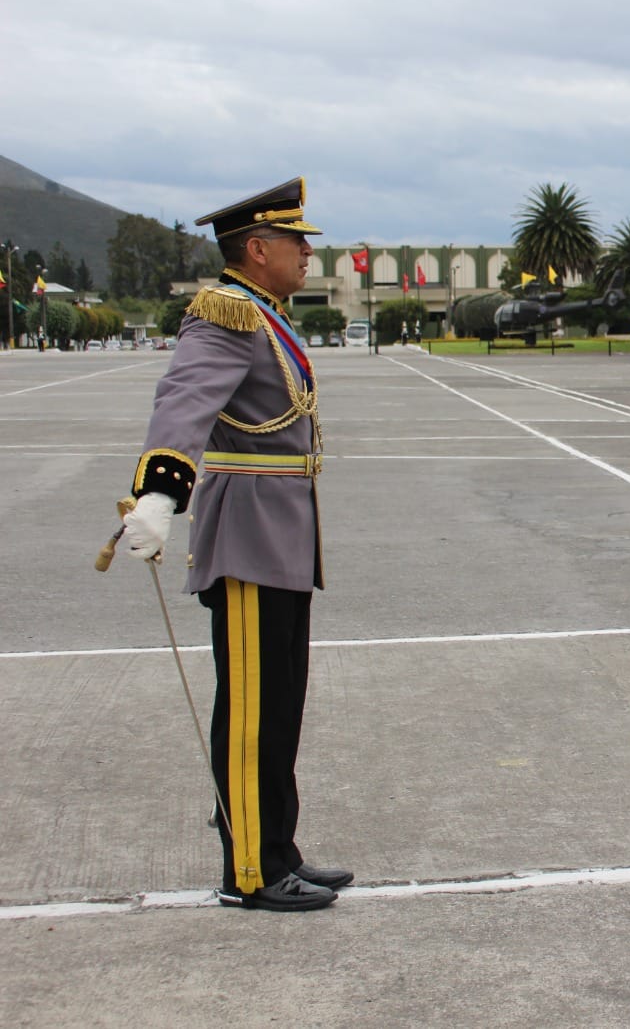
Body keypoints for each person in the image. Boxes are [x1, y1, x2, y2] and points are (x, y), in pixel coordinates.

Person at [120, 177, 352, 910]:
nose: (306, 253)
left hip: (280, 532)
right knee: (252, 711)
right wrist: (160, 494)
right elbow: (184, 401)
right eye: (294, 241)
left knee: (280, 706)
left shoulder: (265, 315)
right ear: (257, 249)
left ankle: (278, 848)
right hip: (249, 535)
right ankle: (249, 871)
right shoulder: (226, 314)